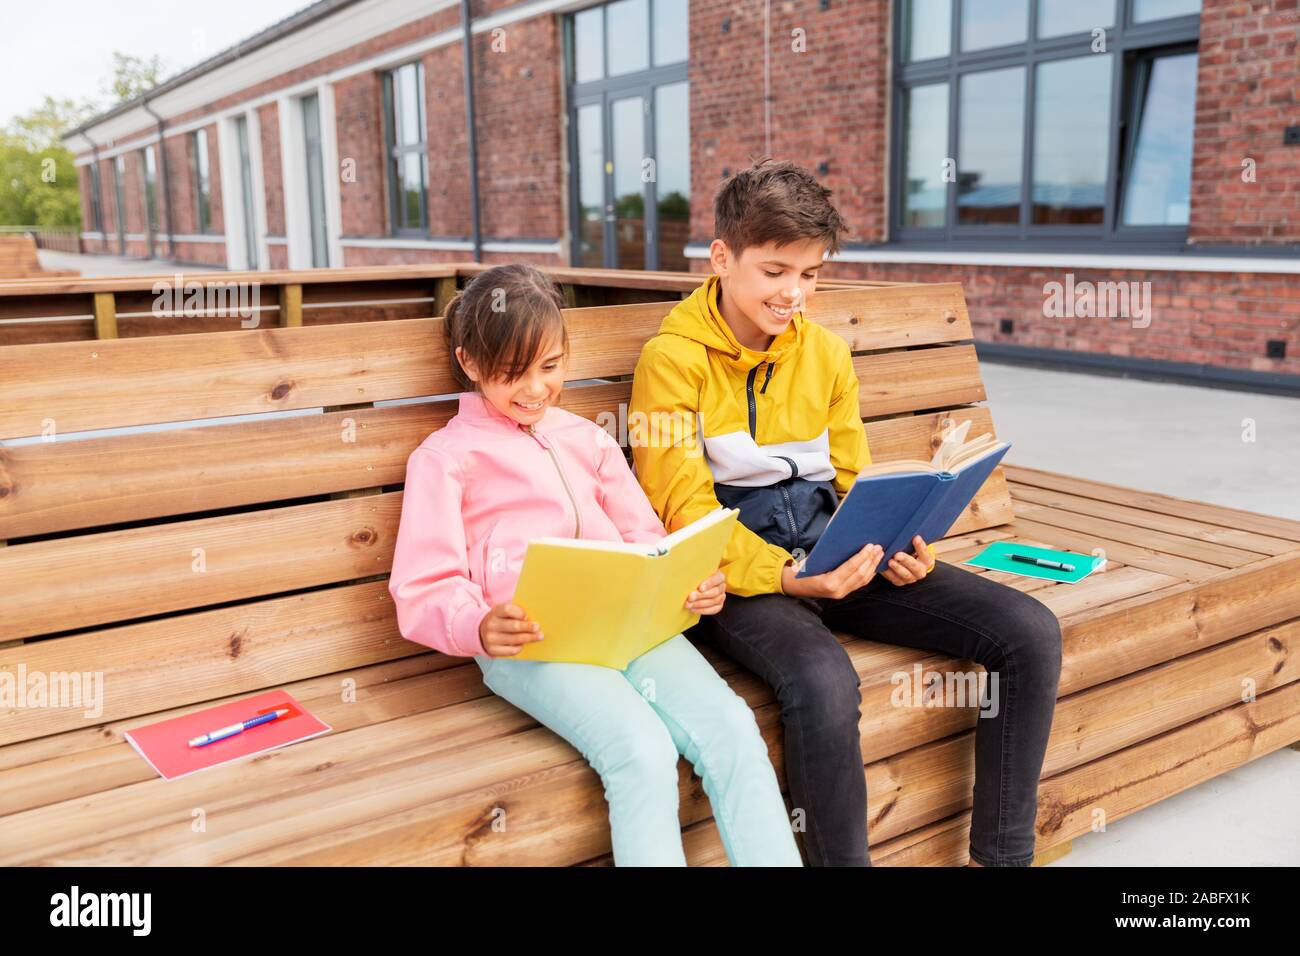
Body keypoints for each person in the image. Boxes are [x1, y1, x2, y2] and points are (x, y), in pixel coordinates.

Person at [629, 159, 1063, 866]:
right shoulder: (672, 362)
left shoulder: (825, 354)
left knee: (1030, 632)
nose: (793, 293)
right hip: (741, 581)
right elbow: (684, 512)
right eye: (774, 272)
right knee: (825, 682)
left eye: (809, 274)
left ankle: (1003, 858)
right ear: (721, 258)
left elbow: (859, 474)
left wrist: (903, 538)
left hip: (842, 553)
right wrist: (788, 578)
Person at [387, 263, 803, 866]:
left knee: (733, 728)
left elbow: (643, 535)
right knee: (641, 748)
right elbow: (424, 583)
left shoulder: (589, 439)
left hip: (629, 625)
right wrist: (478, 624)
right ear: (471, 364)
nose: (535, 389)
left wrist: (689, 581)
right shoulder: (445, 459)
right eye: (511, 373)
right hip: (533, 643)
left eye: (551, 367)